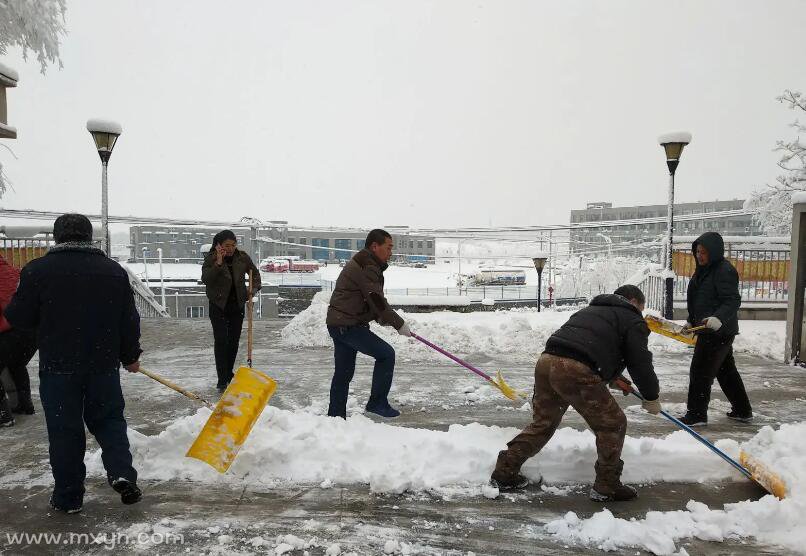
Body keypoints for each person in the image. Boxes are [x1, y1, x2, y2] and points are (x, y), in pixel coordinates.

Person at [4, 213, 142, 513]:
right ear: (89, 237)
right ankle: (121, 473)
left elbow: (19, 317)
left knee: (64, 431)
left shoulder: (37, 271)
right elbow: (129, 320)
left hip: (58, 366)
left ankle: (68, 498)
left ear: (57, 237)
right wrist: (130, 355)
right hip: (103, 365)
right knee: (109, 421)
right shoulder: (113, 271)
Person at [490, 285, 661, 502]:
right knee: (612, 423)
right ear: (634, 301)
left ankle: (505, 471)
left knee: (543, 423)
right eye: (641, 307)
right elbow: (640, 362)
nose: (641, 312)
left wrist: (612, 377)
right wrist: (651, 396)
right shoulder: (632, 318)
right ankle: (607, 486)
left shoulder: (591, 311)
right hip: (574, 368)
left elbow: (590, 346)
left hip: (547, 362)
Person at [325, 229, 412, 419]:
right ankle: (377, 403)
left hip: (339, 323)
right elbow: (378, 301)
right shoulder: (368, 266)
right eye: (388, 248)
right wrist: (399, 324)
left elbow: (370, 302)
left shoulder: (365, 263)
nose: (391, 252)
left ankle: (335, 417)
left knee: (343, 373)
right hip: (348, 325)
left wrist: (386, 320)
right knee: (386, 355)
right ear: (375, 246)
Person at [680, 232, 752, 426]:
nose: (700, 256)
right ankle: (742, 410)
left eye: (704, 252)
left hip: (718, 331)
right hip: (707, 329)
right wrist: (690, 321)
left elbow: (732, 299)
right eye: (697, 252)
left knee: (700, 372)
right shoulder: (703, 270)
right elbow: (699, 300)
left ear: (714, 251)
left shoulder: (723, 270)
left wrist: (718, 318)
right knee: (726, 372)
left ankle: (696, 415)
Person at [201, 230, 261, 391]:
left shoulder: (242, 257)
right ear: (218, 245)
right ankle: (222, 378)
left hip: (237, 305)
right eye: (227, 245)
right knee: (221, 341)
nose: (231, 248)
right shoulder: (211, 258)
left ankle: (228, 373)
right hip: (218, 305)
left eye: (233, 245)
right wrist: (218, 263)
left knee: (233, 341)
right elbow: (206, 279)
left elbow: (255, 274)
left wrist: (252, 290)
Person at [0, 253, 38, 426]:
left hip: (9, 332)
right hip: (31, 332)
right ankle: (24, 404)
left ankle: (3, 416)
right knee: (16, 364)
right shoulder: (15, 272)